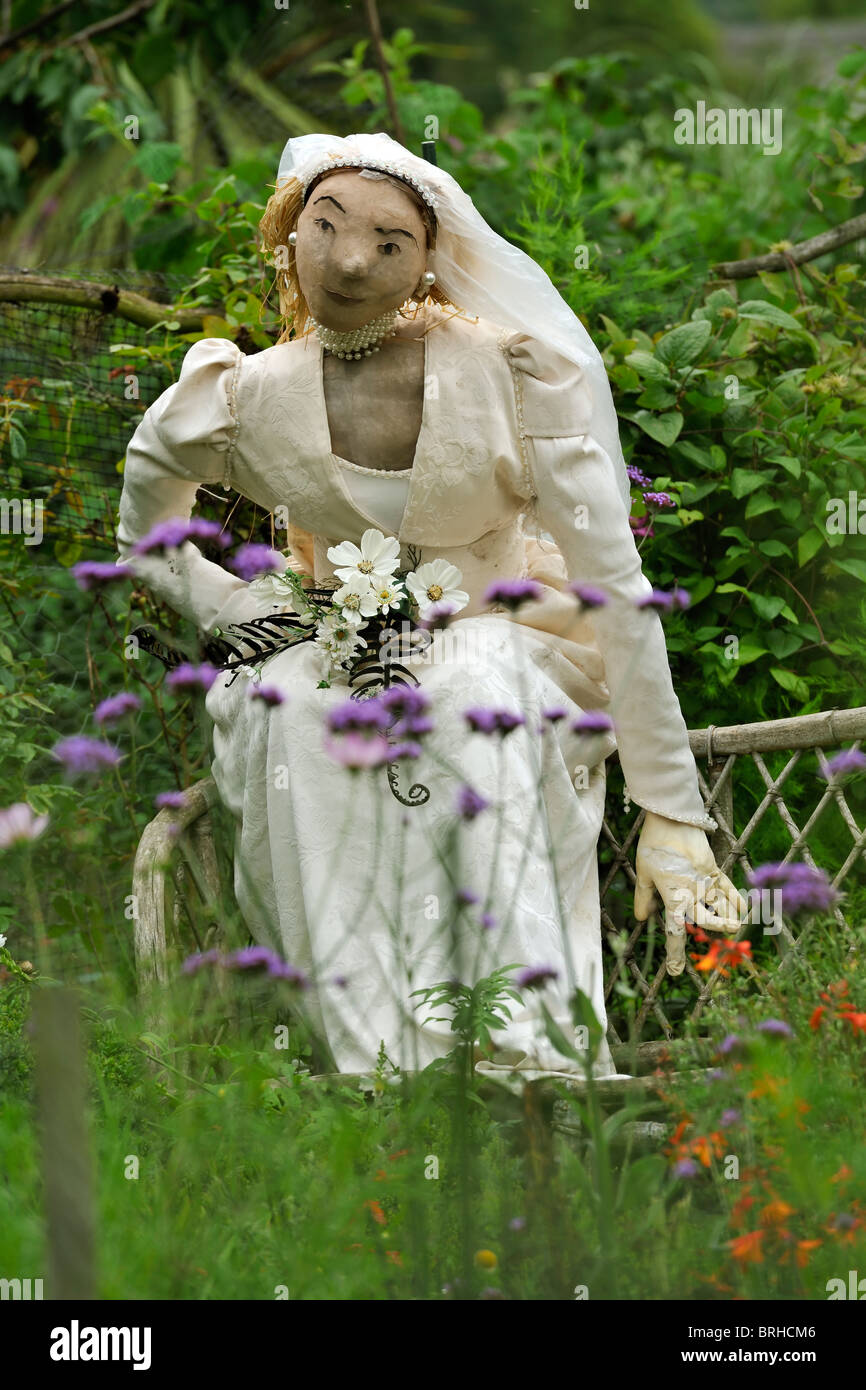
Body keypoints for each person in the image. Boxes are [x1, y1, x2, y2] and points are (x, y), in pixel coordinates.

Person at [116, 132, 744, 1080]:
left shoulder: (508, 377)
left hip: (508, 644)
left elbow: (617, 589)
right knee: (292, 717)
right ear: (289, 233)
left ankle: (522, 1056)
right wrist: (245, 609)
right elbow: (145, 535)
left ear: (427, 261)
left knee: (471, 681)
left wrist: (673, 816)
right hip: (335, 653)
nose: (351, 259)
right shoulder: (246, 395)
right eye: (324, 227)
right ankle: (377, 1071)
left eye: (389, 241)